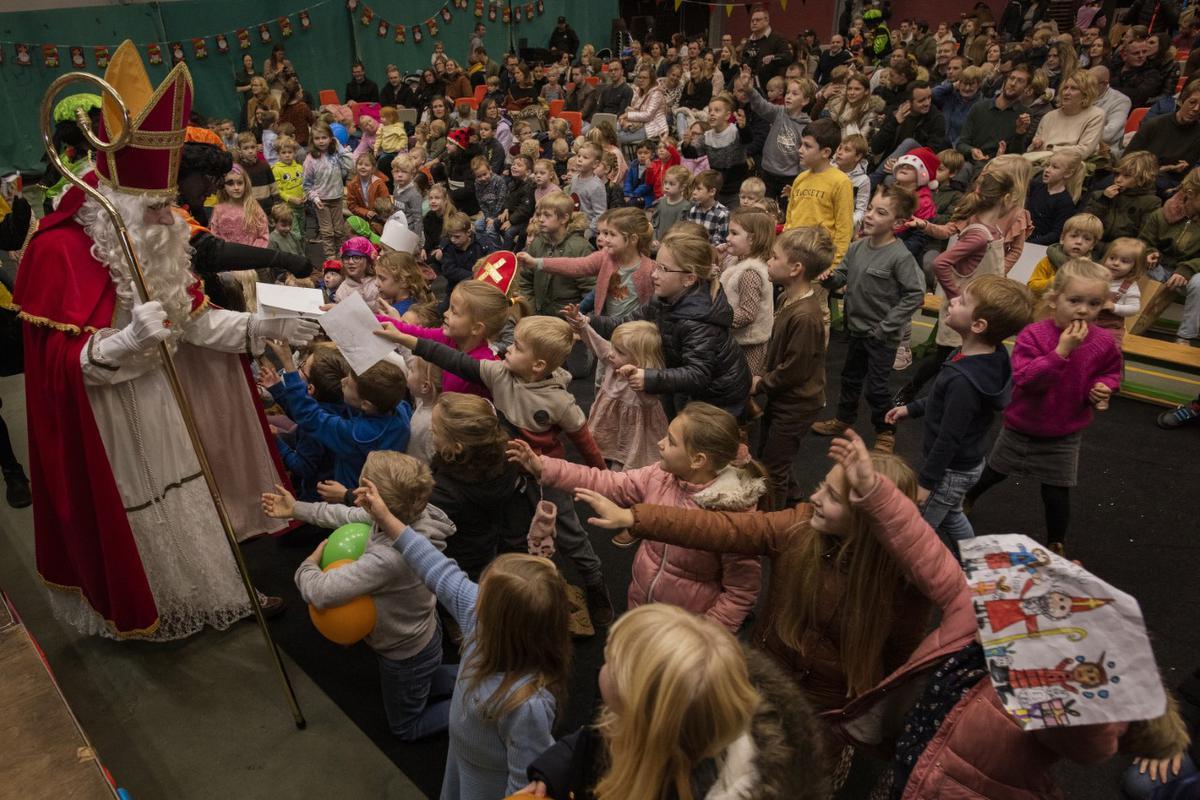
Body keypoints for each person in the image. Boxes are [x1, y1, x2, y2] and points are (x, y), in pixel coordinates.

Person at [13, 41, 317, 639]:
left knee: (189, 491)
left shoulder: (161, 235)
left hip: (166, 399)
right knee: (142, 505)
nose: (168, 216)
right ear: (115, 203)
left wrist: (264, 327)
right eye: (153, 206)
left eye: (167, 203)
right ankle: (153, 610)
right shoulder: (57, 251)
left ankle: (213, 594)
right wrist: (123, 342)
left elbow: (198, 321)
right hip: (110, 418)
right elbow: (58, 369)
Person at [380, 316, 616, 628]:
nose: (506, 349)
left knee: (570, 532)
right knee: (514, 533)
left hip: (547, 474)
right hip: (509, 471)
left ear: (537, 365)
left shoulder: (560, 402)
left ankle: (594, 581)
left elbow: (585, 443)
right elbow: (454, 360)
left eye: (517, 347)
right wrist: (409, 340)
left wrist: (605, 482)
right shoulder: (499, 374)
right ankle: (526, 587)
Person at [357, 476, 570, 800]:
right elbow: (437, 568)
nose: (473, 592)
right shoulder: (478, 613)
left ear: (501, 622)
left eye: (483, 590)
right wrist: (386, 517)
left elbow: (525, 785)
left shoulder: (527, 705)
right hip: (461, 765)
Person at [523, 603, 830, 800]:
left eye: (611, 660)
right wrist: (552, 773)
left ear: (648, 714)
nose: (603, 658)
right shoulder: (632, 720)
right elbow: (592, 739)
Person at [509, 401, 765, 632]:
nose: (659, 443)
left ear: (698, 460)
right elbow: (605, 480)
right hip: (643, 600)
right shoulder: (660, 475)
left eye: (671, 441)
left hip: (684, 628)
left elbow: (740, 593)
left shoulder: (734, 518)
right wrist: (545, 466)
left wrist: (704, 638)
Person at [265, 452, 456, 740]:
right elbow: (343, 514)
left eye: (361, 491)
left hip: (404, 651)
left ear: (372, 500)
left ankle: (474, 707)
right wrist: (297, 509)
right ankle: (478, 684)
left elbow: (322, 592)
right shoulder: (414, 513)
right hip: (422, 634)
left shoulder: (389, 558)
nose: (355, 498)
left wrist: (307, 566)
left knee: (405, 726)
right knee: (427, 674)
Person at [966, 259, 1123, 555]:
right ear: (1054, 300)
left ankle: (1056, 541)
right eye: (1074, 300)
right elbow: (1025, 378)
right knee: (995, 471)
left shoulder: (1103, 342)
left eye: (1093, 303)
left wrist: (1105, 388)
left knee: (1056, 492)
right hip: (1021, 426)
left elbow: (1111, 371)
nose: (1083, 310)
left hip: (1064, 433)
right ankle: (969, 497)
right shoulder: (1034, 335)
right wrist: (1061, 351)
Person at [886, 275, 1034, 551]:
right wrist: (912, 408)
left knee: (916, 532)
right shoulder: (991, 355)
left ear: (978, 325)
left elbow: (948, 438)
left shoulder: (963, 380)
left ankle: (909, 579)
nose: (952, 301)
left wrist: (926, 483)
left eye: (962, 301)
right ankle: (974, 560)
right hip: (966, 463)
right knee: (952, 516)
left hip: (948, 471)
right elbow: (944, 402)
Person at [588, 228, 752, 419]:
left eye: (663, 269)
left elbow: (697, 374)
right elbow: (626, 323)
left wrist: (649, 378)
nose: (654, 275)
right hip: (684, 385)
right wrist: (589, 321)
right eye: (657, 266)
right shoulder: (662, 300)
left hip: (717, 399)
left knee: (697, 443)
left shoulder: (699, 322)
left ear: (689, 279)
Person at [811, 186, 925, 454]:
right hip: (857, 330)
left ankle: (886, 431)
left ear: (898, 223)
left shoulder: (900, 256)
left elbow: (914, 295)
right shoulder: (857, 246)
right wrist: (831, 280)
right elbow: (842, 275)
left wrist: (886, 327)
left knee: (877, 388)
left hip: (883, 337)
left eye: (881, 212)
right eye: (871, 208)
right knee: (850, 378)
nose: (870, 215)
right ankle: (843, 419)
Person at [752, 227, 832, 511]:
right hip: (785, 397)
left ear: (796, 268)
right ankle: (796, 502)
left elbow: (795, 370)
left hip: (797, 403)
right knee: (772, 455)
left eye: (774, 258)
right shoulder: (787, 298)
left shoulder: (806, 316)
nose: (769, 262)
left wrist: (760, 384)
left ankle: (771, 526)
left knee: (772, 467)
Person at [784, 118, 855, 277]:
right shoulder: (800, 178)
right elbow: (790, 219)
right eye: (801, 144)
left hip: (819, 264)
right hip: (793, 258)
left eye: (807, 146)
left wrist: (834, 265)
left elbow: (844, 229)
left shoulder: (841, 181)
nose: (800, 150)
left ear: (826, 152)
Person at [739, 75, 815, 201]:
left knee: (785, 213)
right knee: (765, 209)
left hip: (790, 178)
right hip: (768, 172)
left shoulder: (807, 126)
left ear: (805, 101)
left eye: (795, 94)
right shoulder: (779, 112)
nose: (789, 96)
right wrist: (749, 89)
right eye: (788, 92)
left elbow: (805, 155)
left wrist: (801, 180)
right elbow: (761, 106)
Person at [518, 191, 595, 316]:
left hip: (567, 319)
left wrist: (578, 320)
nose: (540, 220)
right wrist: (530, 311)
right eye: (539, 214)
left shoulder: (581, 248)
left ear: (564, 218)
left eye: (547, 215)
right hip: (538, 315)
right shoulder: (537, 243)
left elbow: (590, 291)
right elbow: (526, 281)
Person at [718, 208, 775, 376]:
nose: (728, 238)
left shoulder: (750, 273)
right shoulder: (736, 262)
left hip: (748, 345)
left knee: (742, 386)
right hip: (735, 340)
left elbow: (747, 314)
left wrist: (715, 316)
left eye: (734, 233)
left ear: (753, 239)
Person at [1125, 79, 1200, 191]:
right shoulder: (1155, 125)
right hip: (1140, 174)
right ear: (1181, 101)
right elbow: (1128, 160)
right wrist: (1164, 169)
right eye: (1192, 102)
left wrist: (1186, 170)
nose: (1196, 109)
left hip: (1173, 183)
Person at [955, 63, 1033, 169]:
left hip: (1000, 168)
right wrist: (971, 150)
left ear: (1027, 88)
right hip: (972, 163)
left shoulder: (1024, 115)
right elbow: (961, 144)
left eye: (1020, 81)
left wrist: (1019, 133)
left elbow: (1017, 157)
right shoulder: (979, 108)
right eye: (1011, 78)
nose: (1013, 83)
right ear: (1005, 80)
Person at [1025, 69, 1107, 163]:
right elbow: (1031, 149)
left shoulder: (1096, 115)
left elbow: (1083, 151)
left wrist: (1050, 148)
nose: (1066, 93)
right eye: (1065, 88)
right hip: (1040, 161)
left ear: (1086, 94)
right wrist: (1036, 144)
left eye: (1073, 88)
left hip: (1070, 166)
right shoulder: (1049, 116)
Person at [1084, 151, 1162, 243]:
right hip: (1093, 244)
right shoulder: (1099, 195)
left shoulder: (1151, 202)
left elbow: (1144, 236)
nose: (1118, 180)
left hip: (1123, 250)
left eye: (1126, 176)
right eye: (1117, 174)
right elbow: (1085, 224)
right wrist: (1103, 201)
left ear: (1141, 179)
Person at [303, 121, 355, 258]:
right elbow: (306, 185)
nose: (321, 141)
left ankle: (342, 255)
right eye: (317, 138)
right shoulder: (310, 160)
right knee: (327, 232)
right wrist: (314, 197)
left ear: (331, 138)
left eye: (324, 137)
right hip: (321, 201)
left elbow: (351, 165)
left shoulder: (336, 154)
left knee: (339, 230)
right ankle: (331, 259)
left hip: (337, 198)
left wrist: (340, 148)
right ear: (312, 140)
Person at [1027, 212, 1103, 298]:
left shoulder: (1090, 270)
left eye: (1087, 239)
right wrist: (1055, 281)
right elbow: (1031, 287)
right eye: (1074, 236)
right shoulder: (1048, 261)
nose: (1079, 242)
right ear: (1062, 238)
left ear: (1092, 245)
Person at [1095, 237, 1148, 348]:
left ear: (1134, 267)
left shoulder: (1129, 286)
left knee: (1110, 346)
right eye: (1112, 258)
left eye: (1124, 261)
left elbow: (1134, 309)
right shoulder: (1096, 277)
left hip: (1110, 327)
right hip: (1089, 321)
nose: (1116, 263)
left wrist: (1114, 307)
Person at [1027, 150, 1084, 244]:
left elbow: (1056, 234)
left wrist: (1031, 243)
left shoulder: (1065, 202)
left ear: (1068, 173)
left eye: (1055, 167)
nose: (1047, 170)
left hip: (1038, 245)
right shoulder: (1036, 187)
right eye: (1048, 165)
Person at [741, 7, 792, 85]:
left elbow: (788, 57)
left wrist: (773, 57)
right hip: (750, 86)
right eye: (752, 20)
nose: (754, 23)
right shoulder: (749, 42)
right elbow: (744, 60)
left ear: (767, 21)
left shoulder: (778, 38)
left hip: (771, 87)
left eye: (758, 20)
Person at [1089, 65, 1132, 155]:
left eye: (1091, 84)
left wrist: (1081, 134)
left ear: (1104, 84)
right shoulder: (1080, 94)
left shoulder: (1121, 101)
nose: (1086, 86)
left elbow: (1109, 134)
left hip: (1107, 150)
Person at [684, 170, 730, 246]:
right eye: (694, 188)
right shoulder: (693, 210)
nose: (694, 192)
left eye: (699, 189)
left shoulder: (723, 214)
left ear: (712, 192)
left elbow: (721, 241)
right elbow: (689, 233)